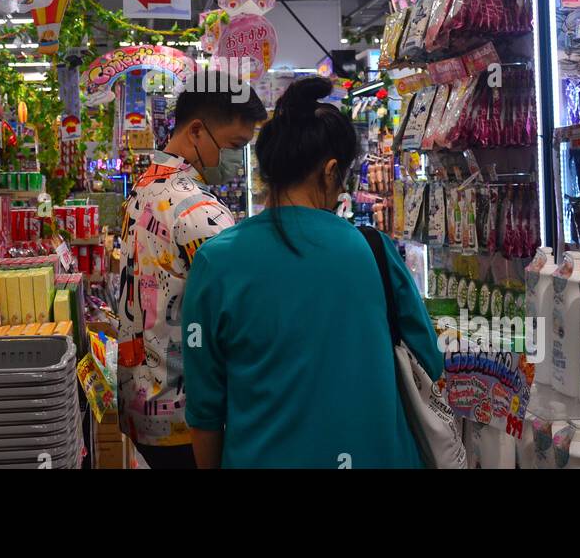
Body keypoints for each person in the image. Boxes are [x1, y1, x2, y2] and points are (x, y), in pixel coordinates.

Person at [182, 76, 442, 469]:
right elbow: (429, 362)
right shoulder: (372, 250)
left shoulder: (215, 262)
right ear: (330, 170)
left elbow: (204, 414)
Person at [117, 70, 267, 470]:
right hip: (188, 416)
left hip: (142, 400)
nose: (240, 160)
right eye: (236, 146)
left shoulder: (143, 187)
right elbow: (240, 316)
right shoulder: (199, 210)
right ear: (197, 131)